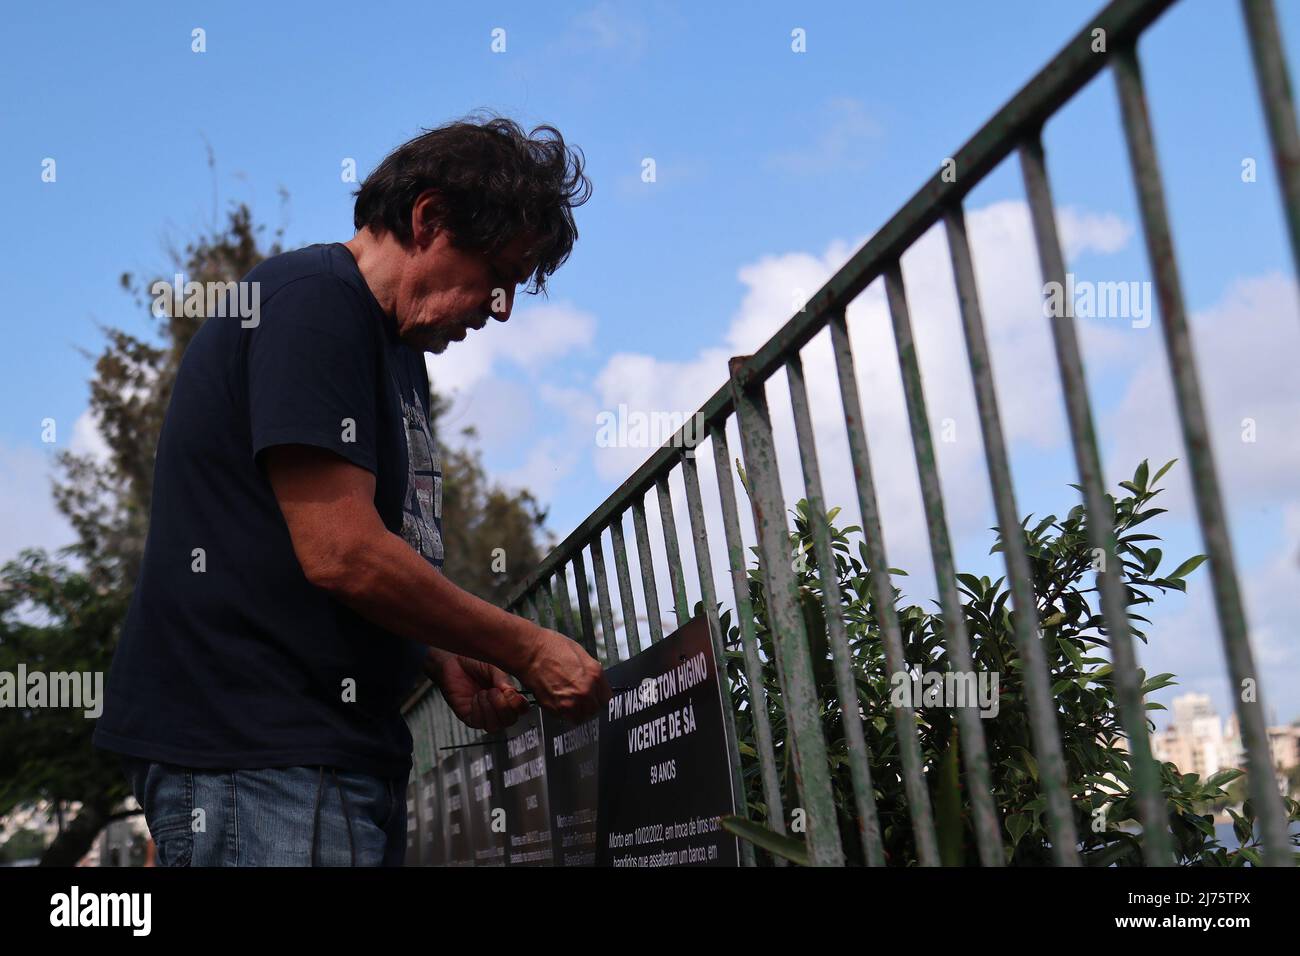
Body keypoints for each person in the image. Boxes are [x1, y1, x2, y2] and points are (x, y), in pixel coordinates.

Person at [92, 115, 610, 866]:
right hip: (262, 758)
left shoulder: (393, 351)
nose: (498, 309)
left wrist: (437, 649)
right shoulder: (312, 302)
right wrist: (527, 646)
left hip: (314, 762)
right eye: (496, 275)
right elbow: (342, 553)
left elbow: (339, 551)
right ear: (430, 218)